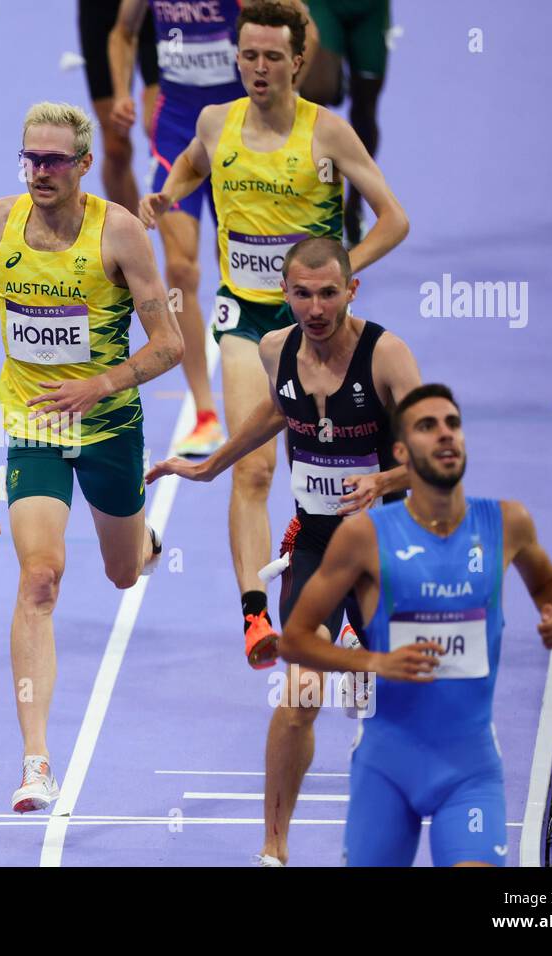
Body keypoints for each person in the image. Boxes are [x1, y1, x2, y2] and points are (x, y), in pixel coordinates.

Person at [139, 0, 407, 660]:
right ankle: (256, 615)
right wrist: (168, 196)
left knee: (350, 462)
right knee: (253, 467)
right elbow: (195, 164)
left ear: (299, 61)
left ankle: (350, 585)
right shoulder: (213, 120)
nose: (259, 69)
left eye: (272, 57)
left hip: (317, 319)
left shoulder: (329, 132)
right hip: (245, 314)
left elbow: (393, 219)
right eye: (249, 56)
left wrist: (341, 275)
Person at [0, 102, 183, 813]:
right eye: (30, 159)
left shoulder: (122, 234)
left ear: (81, 165)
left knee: (121, 573)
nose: (39, 171)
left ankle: (142, 542)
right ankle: (36, 759)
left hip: (107, 429)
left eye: (52, 160)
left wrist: (100, 384)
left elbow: (170, 344)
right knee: (40, 578)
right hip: (35, 424)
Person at [147, 236, 419, 865]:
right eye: (303, 293)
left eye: (329, 293)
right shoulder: (276, 349)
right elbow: (279, 409)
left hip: (382, 546)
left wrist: (385, 479)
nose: (316, 307)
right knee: (297, 700)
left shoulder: (387, 357)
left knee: (407, 700)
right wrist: (213, 465)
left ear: (352, 290)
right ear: (285, 295)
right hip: (317, 546)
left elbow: (441, 455)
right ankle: (274, 850)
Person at [278, 384, 552, 866]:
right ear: (400, 451)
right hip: (386, 769)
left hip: (470, 770)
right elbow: (294, 640)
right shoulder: (364, 537)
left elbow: (549, 584)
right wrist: (373, 661)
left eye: (452, 424)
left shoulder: (507, 522)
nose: (445, 435)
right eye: (427, 426)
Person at [110, 0, 318, 459]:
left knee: (245, 259)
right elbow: (123, 32)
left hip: (243, 129)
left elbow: (304, 27)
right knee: (182, 270)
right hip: (176, 127)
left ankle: (282, 375)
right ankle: (205, 410)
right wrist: (126, 91)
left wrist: (286, 98)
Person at [299, 0, 392, 244]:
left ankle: (355, 205)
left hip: (370, 10)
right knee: (317, 96)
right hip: (322, 5)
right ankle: (323, 205)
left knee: (366, 106)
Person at [78, 0, 161, 214]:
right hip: (102, 9)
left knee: (157, 127)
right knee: (116, 148)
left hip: (155, 12)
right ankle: (130, 235)